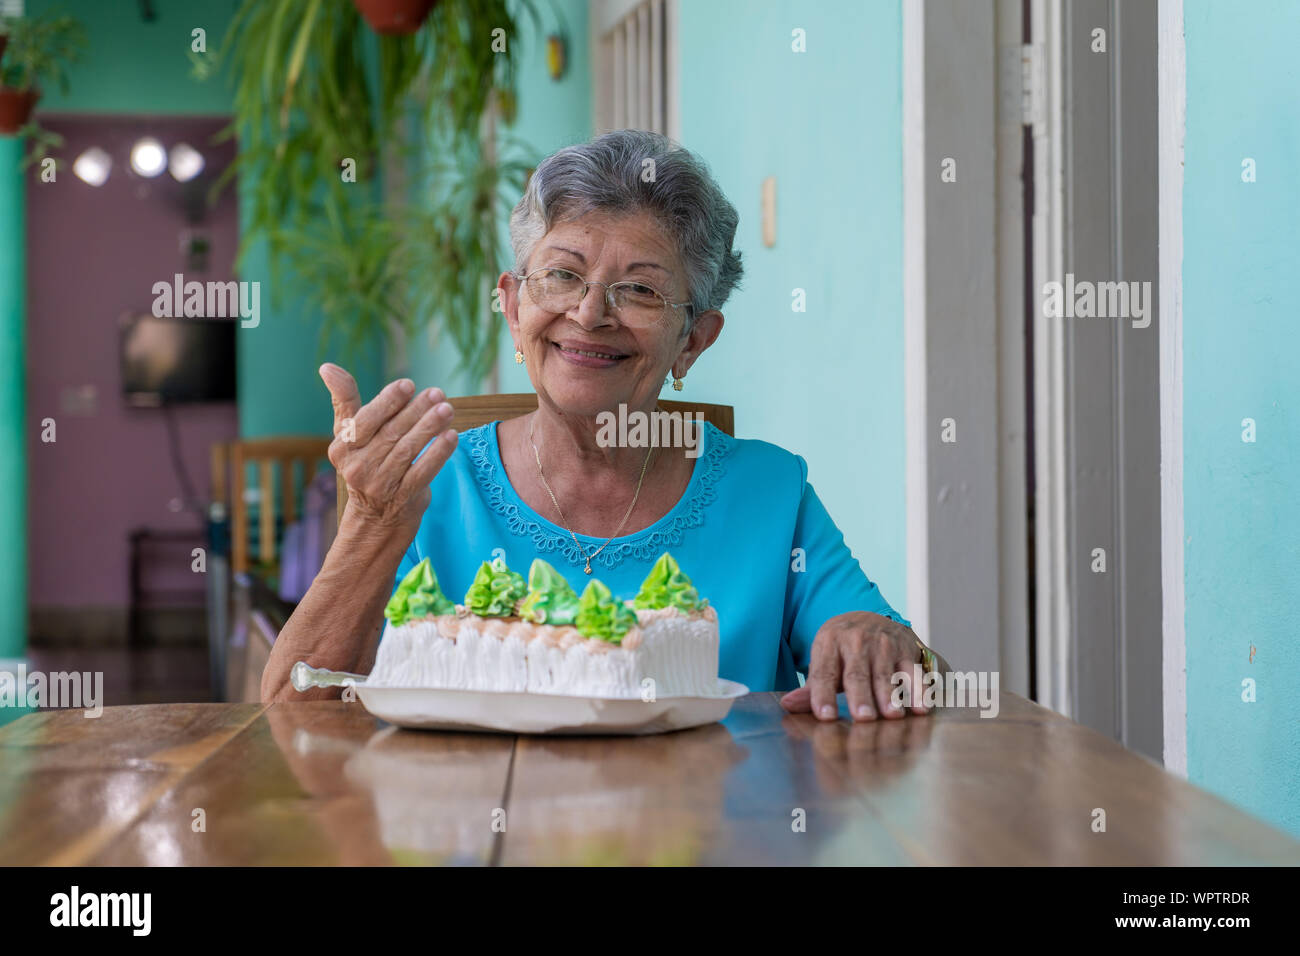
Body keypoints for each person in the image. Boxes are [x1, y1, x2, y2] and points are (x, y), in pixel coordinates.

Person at [262, 130, 950, 719]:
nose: (590, 315)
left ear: (693, 341)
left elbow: (917, 675)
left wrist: (887, 646)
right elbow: (292, 719)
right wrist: (372, 526)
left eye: (641, 290)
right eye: (561, 276)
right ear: (511, 307)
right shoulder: (427, 491)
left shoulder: (770, 491)